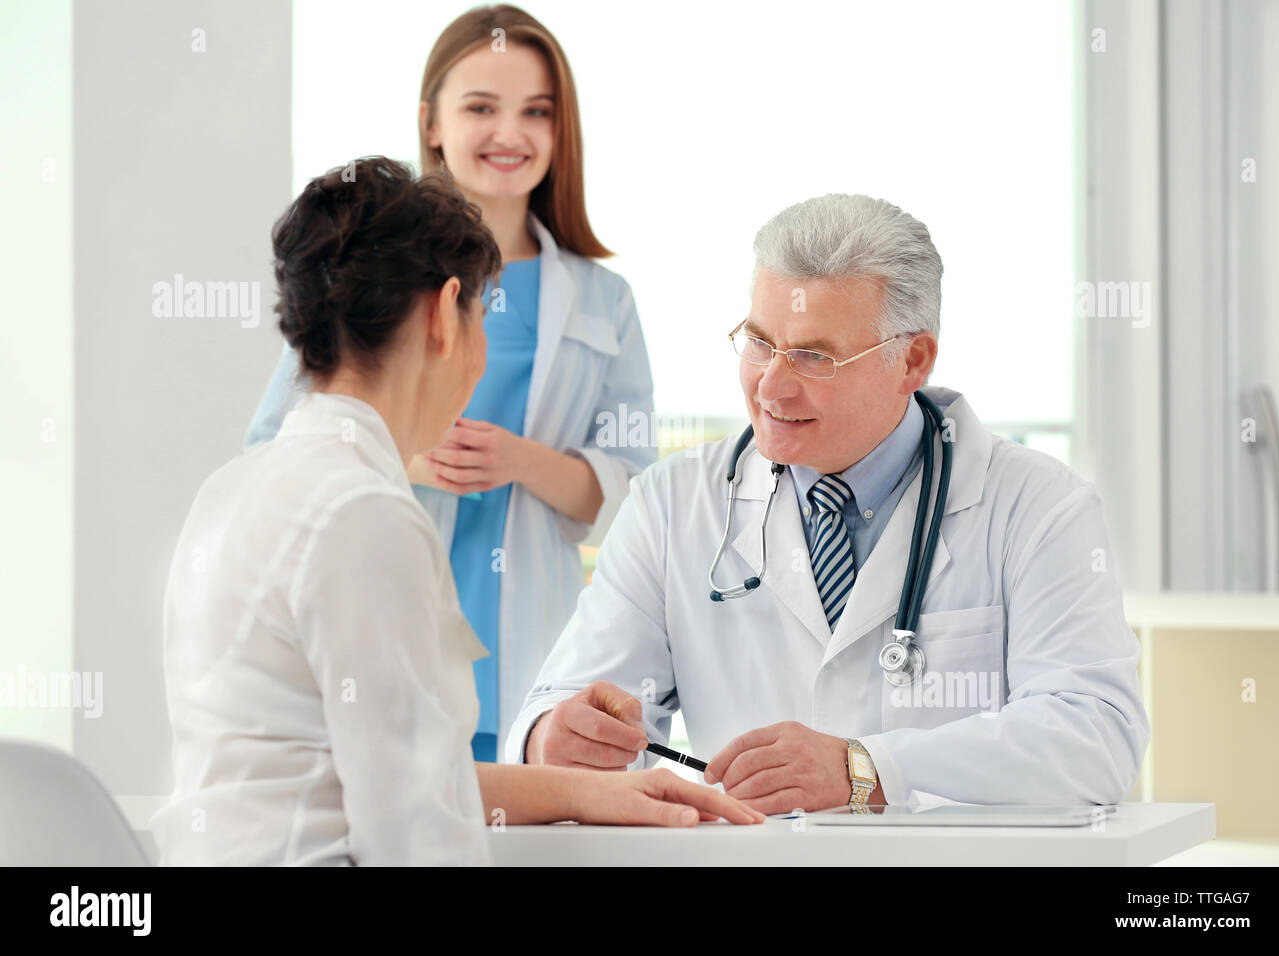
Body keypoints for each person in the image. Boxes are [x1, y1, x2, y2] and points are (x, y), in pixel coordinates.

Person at [150, 158, 761, 866]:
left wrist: (579, 793)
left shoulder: (233, 490)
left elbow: (377, 778)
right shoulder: (363, 514)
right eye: (482, 314)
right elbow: (415, 836)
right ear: (445, 313)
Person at [504, 193, 1151, 813]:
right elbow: (566, 703)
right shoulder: (672, 506)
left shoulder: (1037, 506)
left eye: (814, 356)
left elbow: (1096, 736)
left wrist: (867, 769)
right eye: (759, 342)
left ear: (913, 360)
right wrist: (553, 738)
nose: (772, 387)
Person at [244, 5, 654, 763]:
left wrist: (520, 461)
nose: (511, 133)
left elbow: (634, 495)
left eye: (537, 111)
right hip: (382, 619)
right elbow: (275, 445)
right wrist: (407, 459)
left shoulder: (603, 303)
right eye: (481, 108)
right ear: (431, 122)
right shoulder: (371, 276)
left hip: (533, 639)